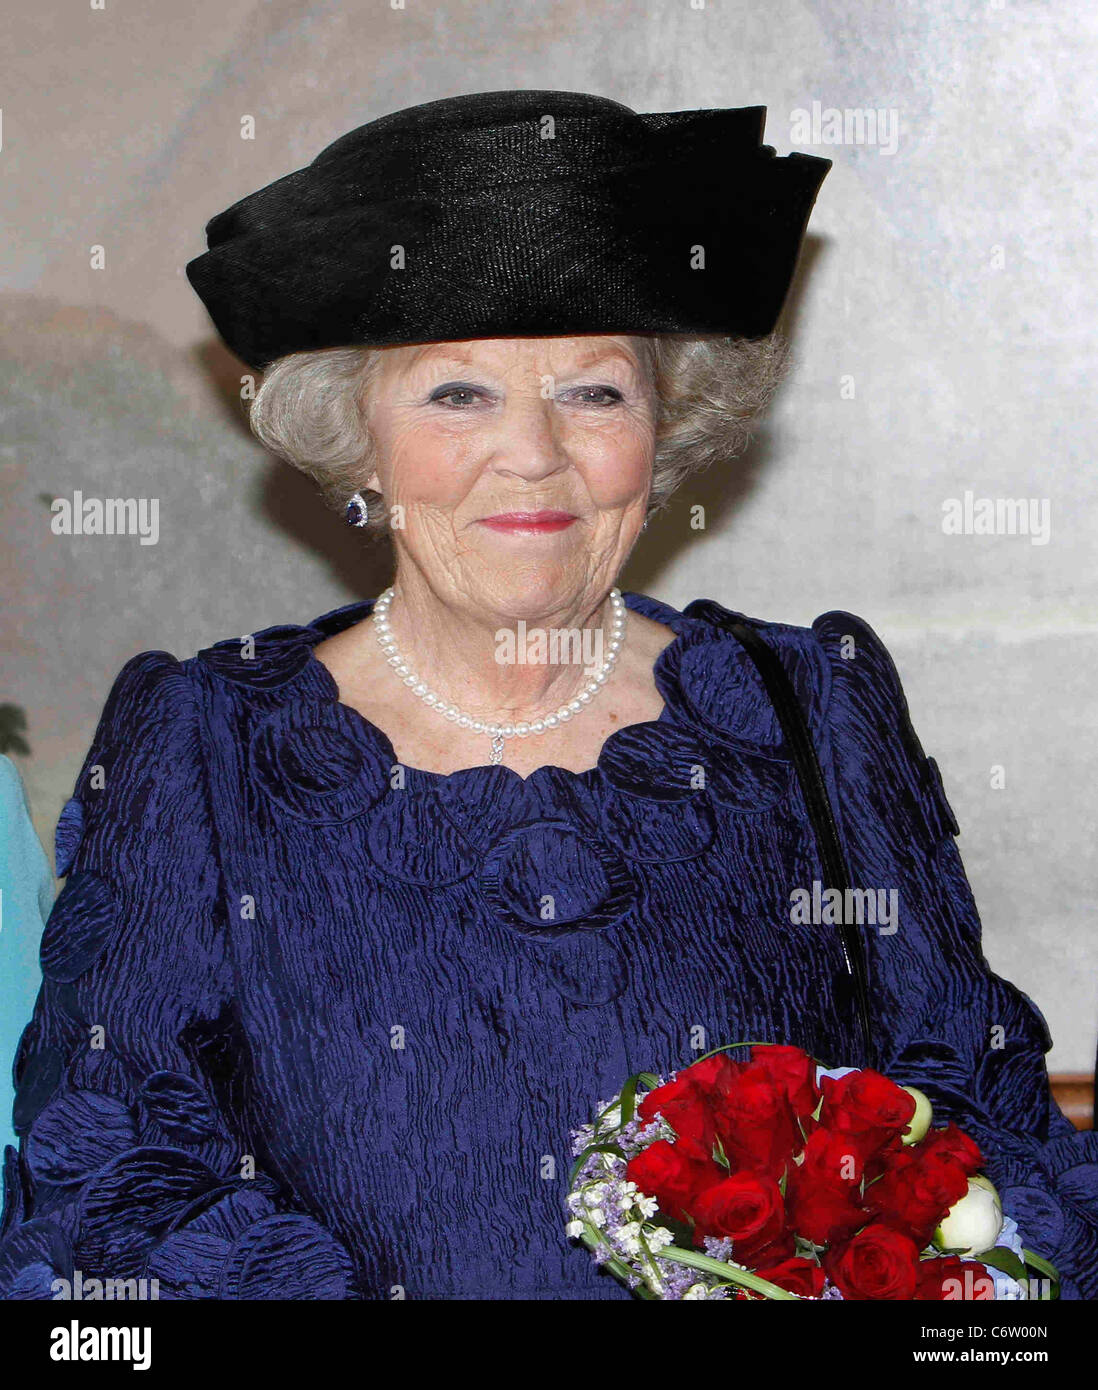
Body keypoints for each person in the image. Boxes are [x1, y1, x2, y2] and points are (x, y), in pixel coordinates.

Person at [2, 90, 1095, 1301]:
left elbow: (983, 1124)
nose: (533, 451)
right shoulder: (203, 746)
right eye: (458, 392)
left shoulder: (808, 709)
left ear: (666, 426)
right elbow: (108, 1176)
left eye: (595, 391)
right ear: (360, 436)